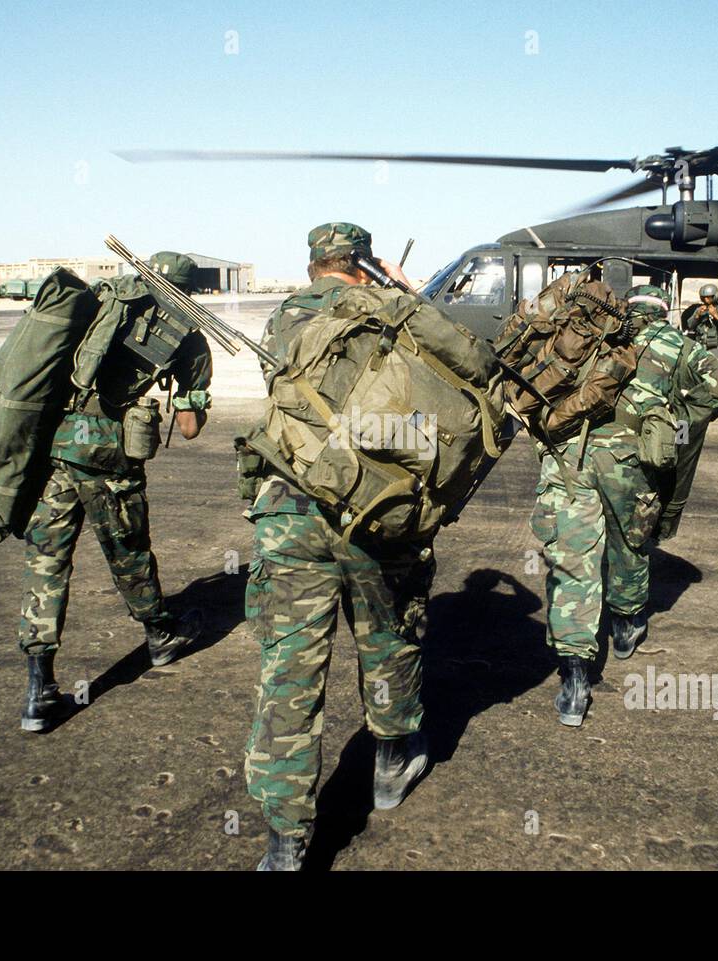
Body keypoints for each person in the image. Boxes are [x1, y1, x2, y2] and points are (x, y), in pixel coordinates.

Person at [243, 223, 433, 871]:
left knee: (291, 666)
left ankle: (285, 839)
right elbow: (454, 366)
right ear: (362, 263)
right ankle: (390, 762)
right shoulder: (394, 308)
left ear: (313, 264)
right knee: (388, 636)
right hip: (376, 500)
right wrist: (407, 290)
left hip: (291, 504)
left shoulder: (284, 317)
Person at [0, 252, 212, 733]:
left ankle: (39, 690)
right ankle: (160, 634)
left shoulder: (99, 302)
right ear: (189, 291)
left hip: (54, 451)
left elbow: (36, 353)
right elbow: (190, 429)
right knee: (128, 553)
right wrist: (189, 398)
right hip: (110, 458)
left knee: (46, 562)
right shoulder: (190, 337)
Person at [531, 285, 684, 727]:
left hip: (564, 460)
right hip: (626, 460)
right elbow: (712, 392)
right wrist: (670, 424)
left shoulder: (572, 337)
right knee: (630, 541)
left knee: (573, 563)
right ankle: (624, 627)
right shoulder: (669, 345)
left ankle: (575, 682)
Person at [683, 283, 718, 363]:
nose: (706, 300)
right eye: (704, 297)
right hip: (699, 346)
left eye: (709, 297)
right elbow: (690, 326)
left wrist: (716, 315)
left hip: (715, 348)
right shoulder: (699, 309)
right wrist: (697, 315)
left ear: (715, 296)